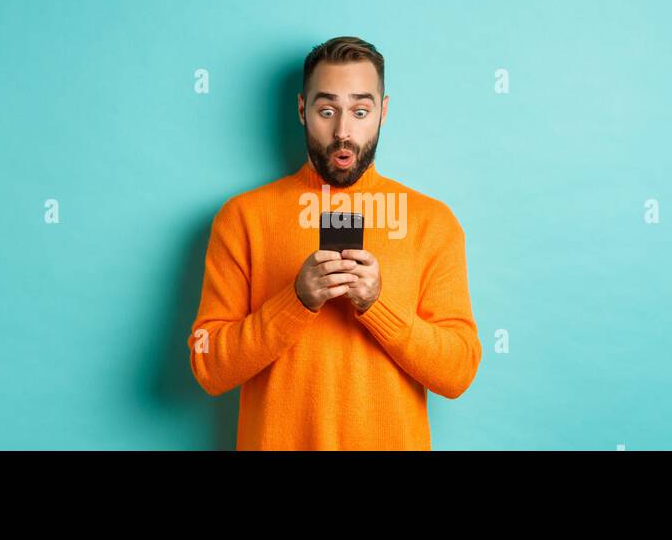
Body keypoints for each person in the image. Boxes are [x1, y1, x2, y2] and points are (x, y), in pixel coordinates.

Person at [187, 36, 481, 450]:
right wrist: (296, 302)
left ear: (383, 112)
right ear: (303, 110)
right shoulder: (242, 218)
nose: (343, 132)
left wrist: (378, 305)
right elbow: (208, 366)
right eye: (327, 110)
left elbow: (458, 372)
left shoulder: (432, 223)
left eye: (360, 111)